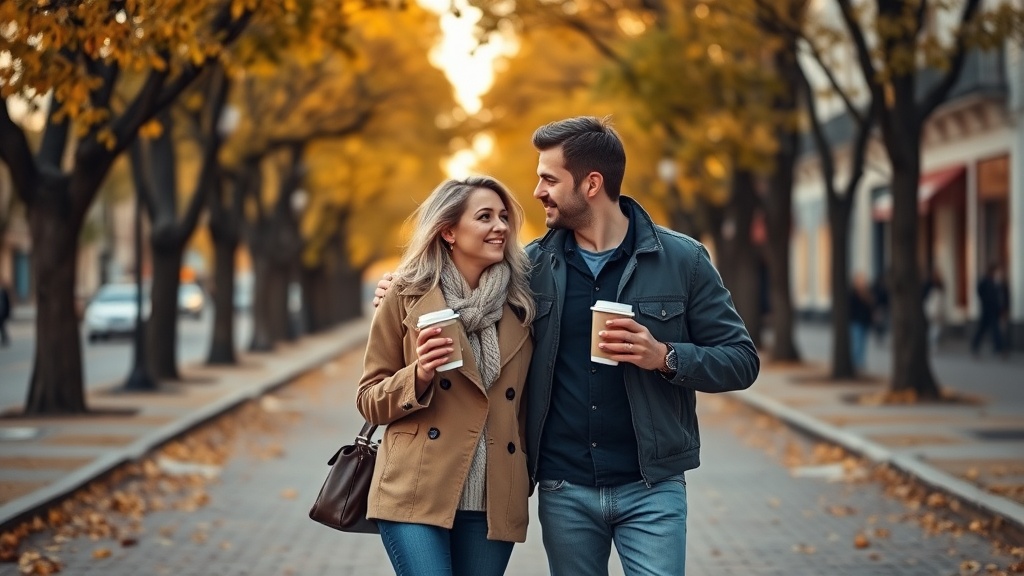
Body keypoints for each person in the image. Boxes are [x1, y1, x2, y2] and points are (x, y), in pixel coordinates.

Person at [377, 116, 759, 576]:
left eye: (548, 179)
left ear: (591, 183)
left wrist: (665, 356)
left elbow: (741, 361)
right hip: (565, 488)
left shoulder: (682, 259)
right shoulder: (528, 269)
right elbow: (462, 289)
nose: (537, 191)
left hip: (652, 485)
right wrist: (402, 291)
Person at [356, 177, 536, 576]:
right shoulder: (405, 294)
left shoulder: (521, 304)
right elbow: (368, 398)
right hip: (415, 490)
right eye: (485, 217)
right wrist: (418, 376)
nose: (501, 227)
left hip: (492, 498)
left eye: (504, 217)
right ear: (449, 230)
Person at [971, 263, 1009, 357]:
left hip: (994, 311)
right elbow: (980, 292)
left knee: (995, 330)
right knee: (983, 329)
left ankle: (998, 348)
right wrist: (985, 301)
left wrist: (1001, 308)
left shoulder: (995, 282)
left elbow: (999, 296)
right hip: (987, 310)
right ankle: (975, 346)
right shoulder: (985, 281)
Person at [849, 272, 874, 373]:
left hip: (864, 322)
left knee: (863, 343)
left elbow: (869, 308)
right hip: (856, 322)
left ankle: (860, 362)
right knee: (857, 343)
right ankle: (856, 363)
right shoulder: (853, 295)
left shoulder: (867, 295)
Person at [923, 268, 946, 348]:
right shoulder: (929, 284)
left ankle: (932, 341)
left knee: (936, 327)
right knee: (934, 327)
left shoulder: (939, 284)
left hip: (938, 306)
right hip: (932, 307)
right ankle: (932, 342)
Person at [0, 281, 11, 347]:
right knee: (2, 327)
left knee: (2, 327)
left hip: (2, 313)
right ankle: (5, 338)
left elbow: (7, 303)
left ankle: (5, 338)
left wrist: (7, 313)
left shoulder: (3, 292)